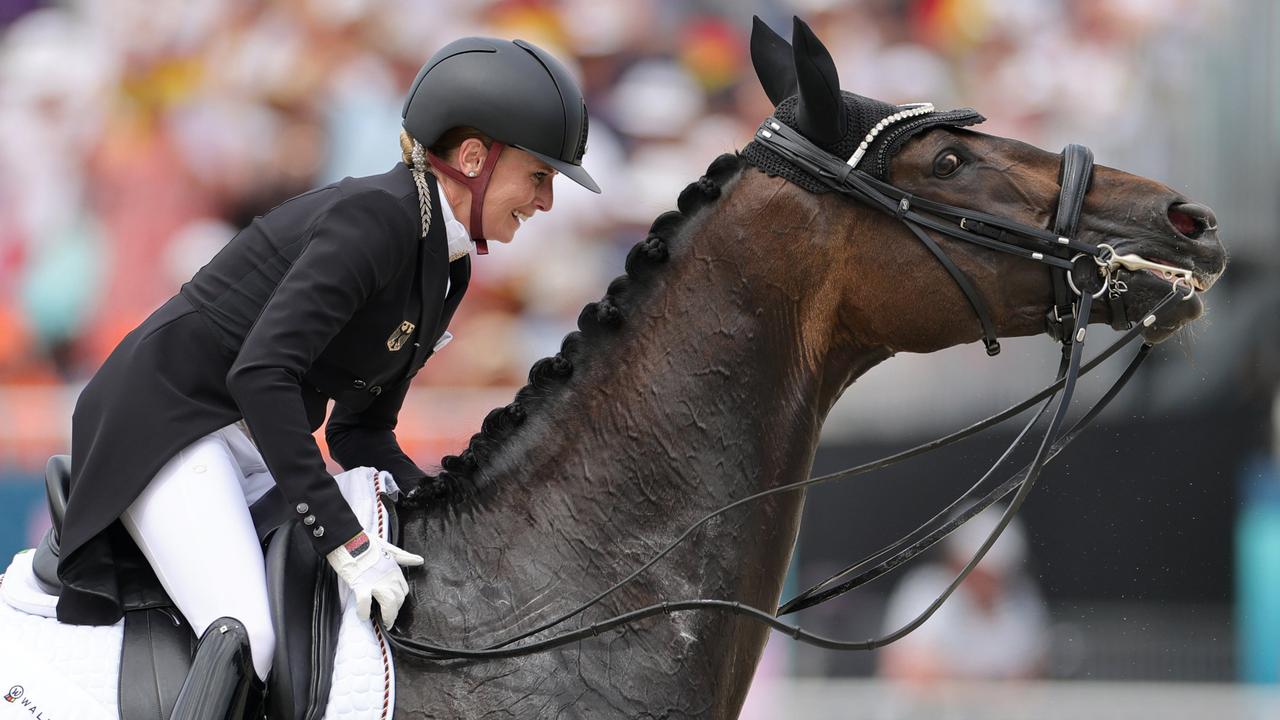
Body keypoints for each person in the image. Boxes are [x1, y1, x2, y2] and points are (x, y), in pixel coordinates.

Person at [54, 37, 599, 719]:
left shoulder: (447, 264)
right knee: (246, 631)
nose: (545, 201)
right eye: (539, 177)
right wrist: (346, 539)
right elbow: (262, 374)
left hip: (245, 443)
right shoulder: (376, 219)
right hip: (167, 425)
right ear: (471, 159)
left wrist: (454, 512)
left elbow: (360, 428)